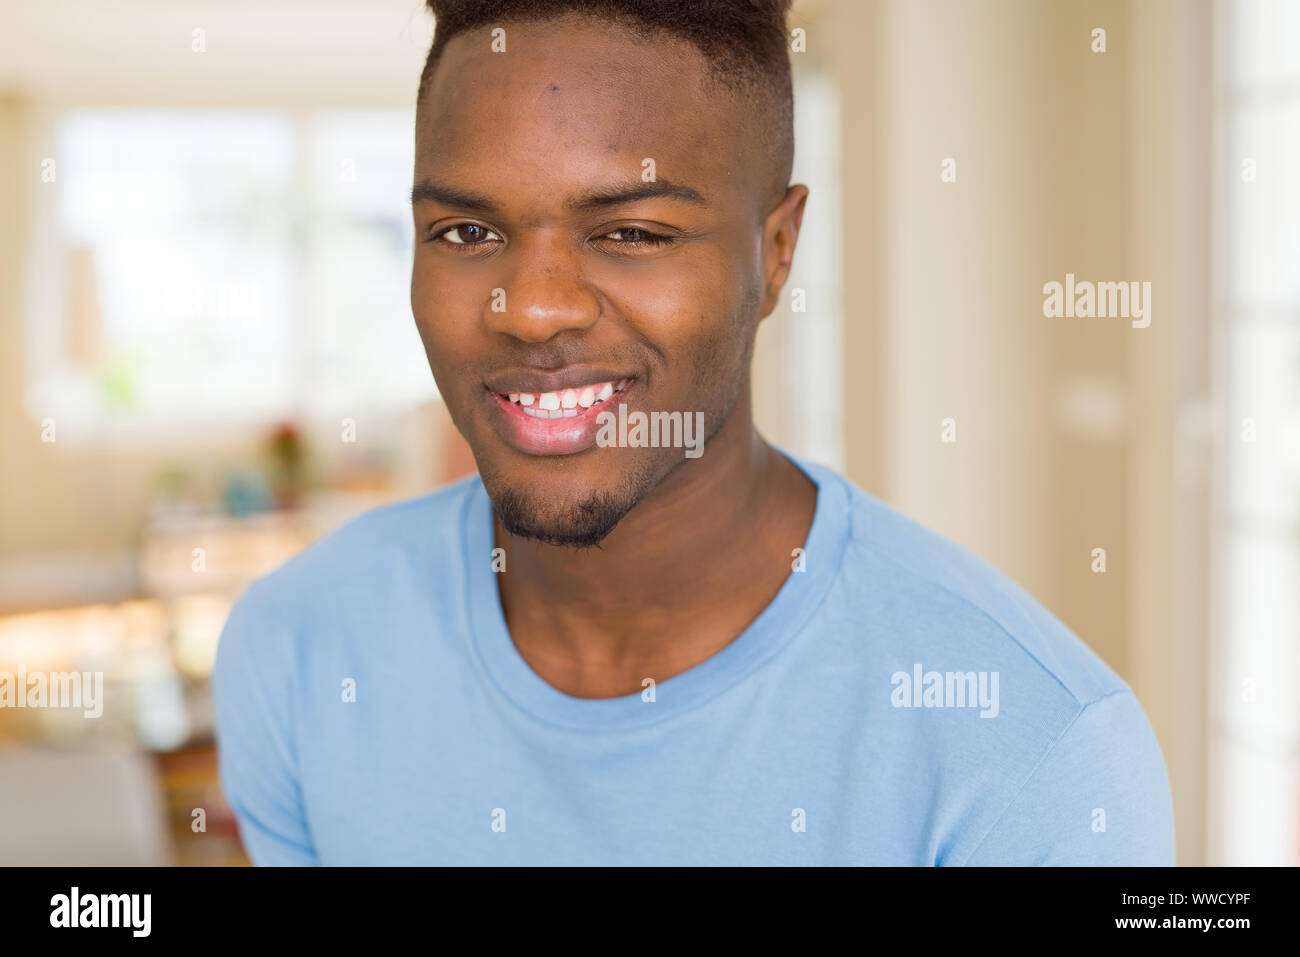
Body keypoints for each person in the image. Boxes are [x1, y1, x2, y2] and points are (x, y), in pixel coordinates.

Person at [213, 0, 1175, 865]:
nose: (533, 309)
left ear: (776, 252)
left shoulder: (1033, 748)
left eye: (631, 232)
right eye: (468, 233)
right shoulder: (300, 650)